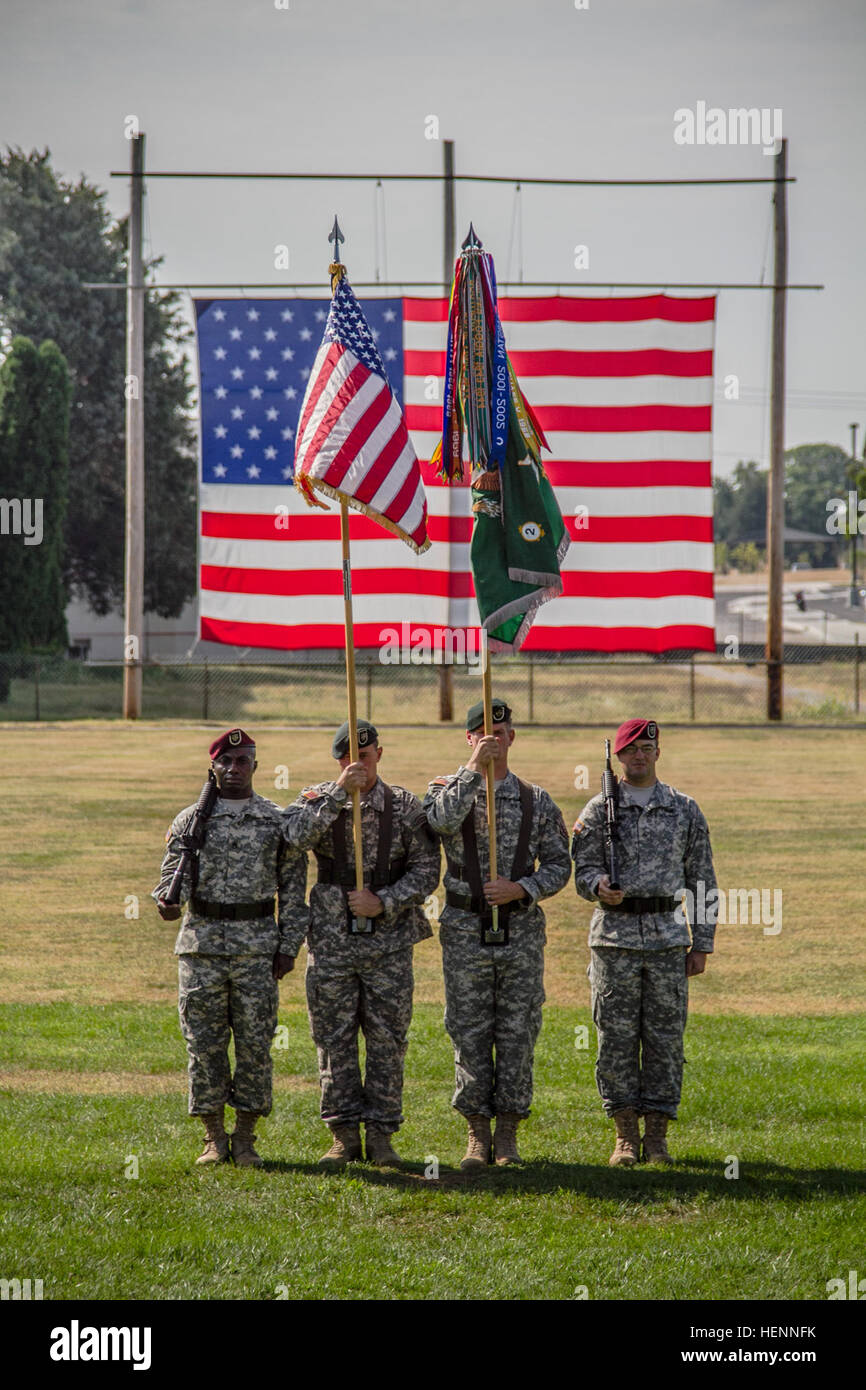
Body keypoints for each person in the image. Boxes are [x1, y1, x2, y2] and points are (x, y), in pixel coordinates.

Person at [283, 719, 440, 1170]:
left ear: (380, 754)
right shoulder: (318, 800)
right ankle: (343, 1133)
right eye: (349, 758)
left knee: (388, 1040)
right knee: (333, 1038)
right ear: (337, 760)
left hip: (388, 944)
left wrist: (385, 901)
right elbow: (293, 839)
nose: (359, 764)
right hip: (331, 942)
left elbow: (428, 869)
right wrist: (336, 793)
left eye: (366, 756)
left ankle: (383, 1134)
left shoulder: (405, 807)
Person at [423, 698, 571, 1169]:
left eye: (502, 730)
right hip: (465, 929)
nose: (494, 737)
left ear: (513, 737)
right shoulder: (448, 787)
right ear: (469, 738)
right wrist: (472, 768)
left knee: (517, 1030)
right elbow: (439, 821)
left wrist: (521, 888)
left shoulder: (536, 800)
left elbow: (560, 865)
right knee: (468, 1028)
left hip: (520, 931)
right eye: (483, 731)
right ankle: (475, 1133)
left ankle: (507, 1134)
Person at [153, 728, 308, 1167]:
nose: (234, 770)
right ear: (213, 767)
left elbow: (294, 894)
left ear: (256, 767)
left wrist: (288, 947)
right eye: (226, 762)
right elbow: (170, 881)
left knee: (256, 1045)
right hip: (201, 948)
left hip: (256, 948)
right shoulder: (191, 820)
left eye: (243, 762)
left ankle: (245, 1137)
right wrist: (166, 903)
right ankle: (212, 1137)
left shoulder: (276, 822)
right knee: (204, 1046)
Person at [571, 718, 718, 1166]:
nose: (639, 755)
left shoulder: (684, 809)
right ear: (618, 755)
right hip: (614, 940)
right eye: (631, 749)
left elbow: (702, 879)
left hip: (667, 939)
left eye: (647, 747)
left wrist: (702, 942)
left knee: (665, 1041)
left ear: (658, 752)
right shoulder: (598, 810)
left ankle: (657, 1137)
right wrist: (598, 886)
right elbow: (581, 872)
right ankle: (624, 1137)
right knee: (615, 1039)